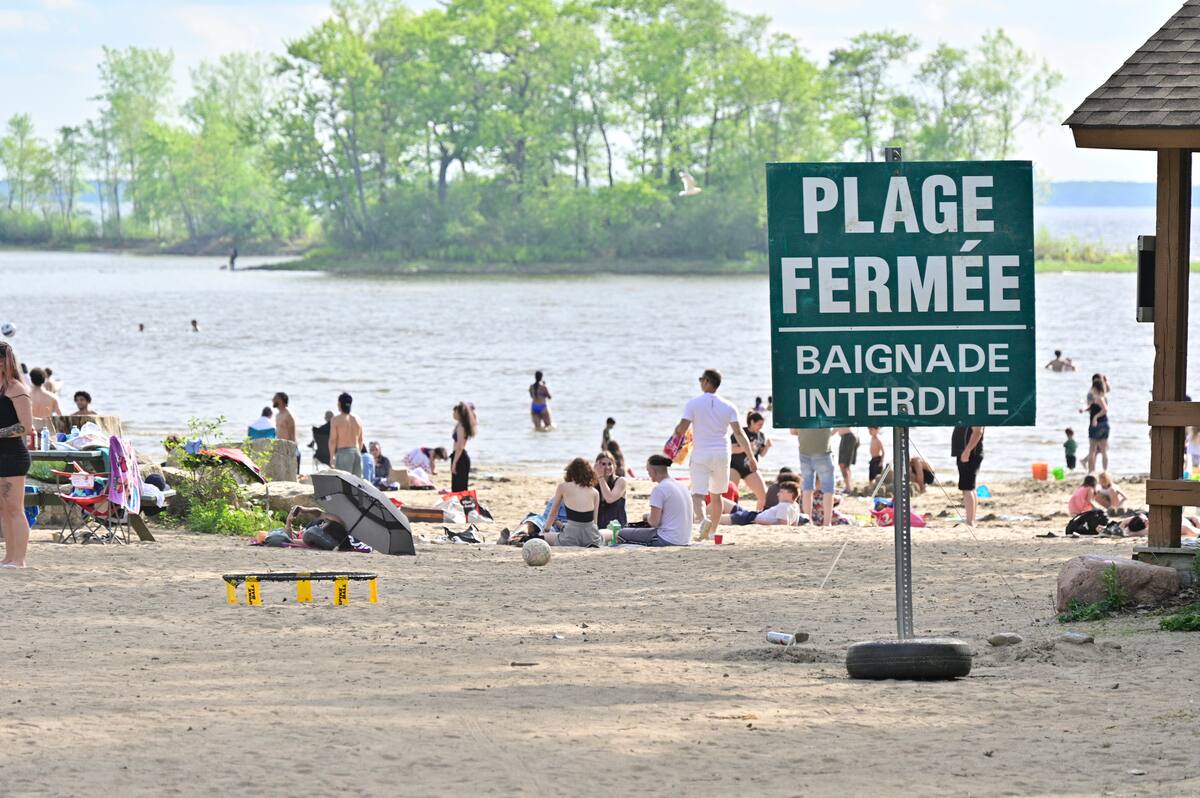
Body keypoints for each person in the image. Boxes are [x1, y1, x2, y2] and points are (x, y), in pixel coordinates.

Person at [674, 368, 757, 540]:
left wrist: (675, 438)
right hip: (722, 454)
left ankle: (704, 520)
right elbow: (740, 434)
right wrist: (751, 457)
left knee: (697, 494)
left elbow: (681, 429)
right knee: (716, 495)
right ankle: (712, 532)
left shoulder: (693, 404)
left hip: (701, 453)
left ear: (706, 381)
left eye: (700, 380)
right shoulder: (728, 406)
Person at [610, 454, 693, 546]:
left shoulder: (659, 489)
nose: (648, 473)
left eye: (648, 470)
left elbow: (654, 522)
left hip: (667, 539)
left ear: (653, 471)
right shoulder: (682, 486)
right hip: (685, 539)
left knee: (621, 533)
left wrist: (647, 517)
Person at [0, 341, 33, 567]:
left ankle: (18, 559)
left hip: (13, 456)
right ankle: (8, 557)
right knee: (3, 509)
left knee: (14, 508)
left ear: (4, 361)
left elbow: (26, 427)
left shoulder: (16, 389)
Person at [541, 458, 601, 547]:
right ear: (589, 473)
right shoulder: (595, 492)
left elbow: (553, 513)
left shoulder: (563, 487)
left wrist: (546, 530)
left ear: (570, 472)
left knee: (544, 536)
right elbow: (595, 522)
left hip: (570, 537)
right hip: (591, 538)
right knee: (608, 533)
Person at [792, 427, 837, 526]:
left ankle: (808, 520)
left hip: (804, 451)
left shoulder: (799, 411)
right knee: (828, 490)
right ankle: (827, 522)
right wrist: (828, 434)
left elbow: (793, 431)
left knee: (807, 488)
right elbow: (840, 423)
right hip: (823, 450)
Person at [729, 410, 771, 510]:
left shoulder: (761, 436)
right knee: (731, 494)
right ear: (752, 422)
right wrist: (746, 447)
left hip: (750, 468)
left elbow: (761, 454)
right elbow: (731, 449)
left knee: (764, 496)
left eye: (762, 425)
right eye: (759, 424)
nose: (761, 427)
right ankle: (730, 515)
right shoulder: (740, 432)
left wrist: (767, 447)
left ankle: (759, 515)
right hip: (734, 467)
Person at [721, 483, 803, 527]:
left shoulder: (784, 506)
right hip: (754, 514)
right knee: (722, 501)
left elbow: (782, 525)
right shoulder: (795, 506)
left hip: (750, 518)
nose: (778, 494)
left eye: (781, 492)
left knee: (715, 519)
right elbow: (794, 524)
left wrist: (759, 521)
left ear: (790, 494)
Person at [952, 425, 985, 527]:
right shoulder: (968, 412)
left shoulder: (974, 412)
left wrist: (967, 451)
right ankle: (971, 519)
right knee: (970, 487)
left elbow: (978, 432)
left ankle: (970, 521)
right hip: (966, 453)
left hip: (970, 454)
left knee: (967, 488)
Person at [328, 392, 364, 476]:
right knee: (356, 482)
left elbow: (333, 440)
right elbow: (361, 439)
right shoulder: (357, 419)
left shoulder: (336, 419)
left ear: (340, 404)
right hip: (356, 452)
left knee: (343, 482)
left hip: (343, 453)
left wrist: (332, 456)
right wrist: (358, 451)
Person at [595, 451, 627, 528]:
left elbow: (609, 498)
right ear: (597, 466)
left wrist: (600, 477)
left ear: (614, 466)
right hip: (598, 527)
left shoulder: (621, 481)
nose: (607, 467)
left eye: (610, 464)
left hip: (616, 528)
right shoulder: (593, 483)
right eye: (603, 464)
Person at [1084, 376, 1110, 472]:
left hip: (1097, 425)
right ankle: (1105, 471)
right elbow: (1093, 407)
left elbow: (1105, 409)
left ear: (1095, 388)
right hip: (1104, 424)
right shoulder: (1100, 397)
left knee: (1092, 450)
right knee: (1103, 450)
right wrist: (1084, 410)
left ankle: (1091, 472)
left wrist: (1095, 417)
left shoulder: (1098, 398)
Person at [450, 401, 476, 493]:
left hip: (460, 457)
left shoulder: (462, 426)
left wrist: (454, 463)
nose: (453, 414)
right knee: (456, 488)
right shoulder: (459, 424)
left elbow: (460, 446)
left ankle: (463, 506)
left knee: (459, 488)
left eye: (455, 412)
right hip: (458, 456)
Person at [273, 392, 298, 471]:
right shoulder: (277, 415)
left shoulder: (288, 415)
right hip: (279, 446)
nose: (273, 400)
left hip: (287, 447)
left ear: (280, 400)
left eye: (275, 398)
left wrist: (291, 450)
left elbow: (292, 434)